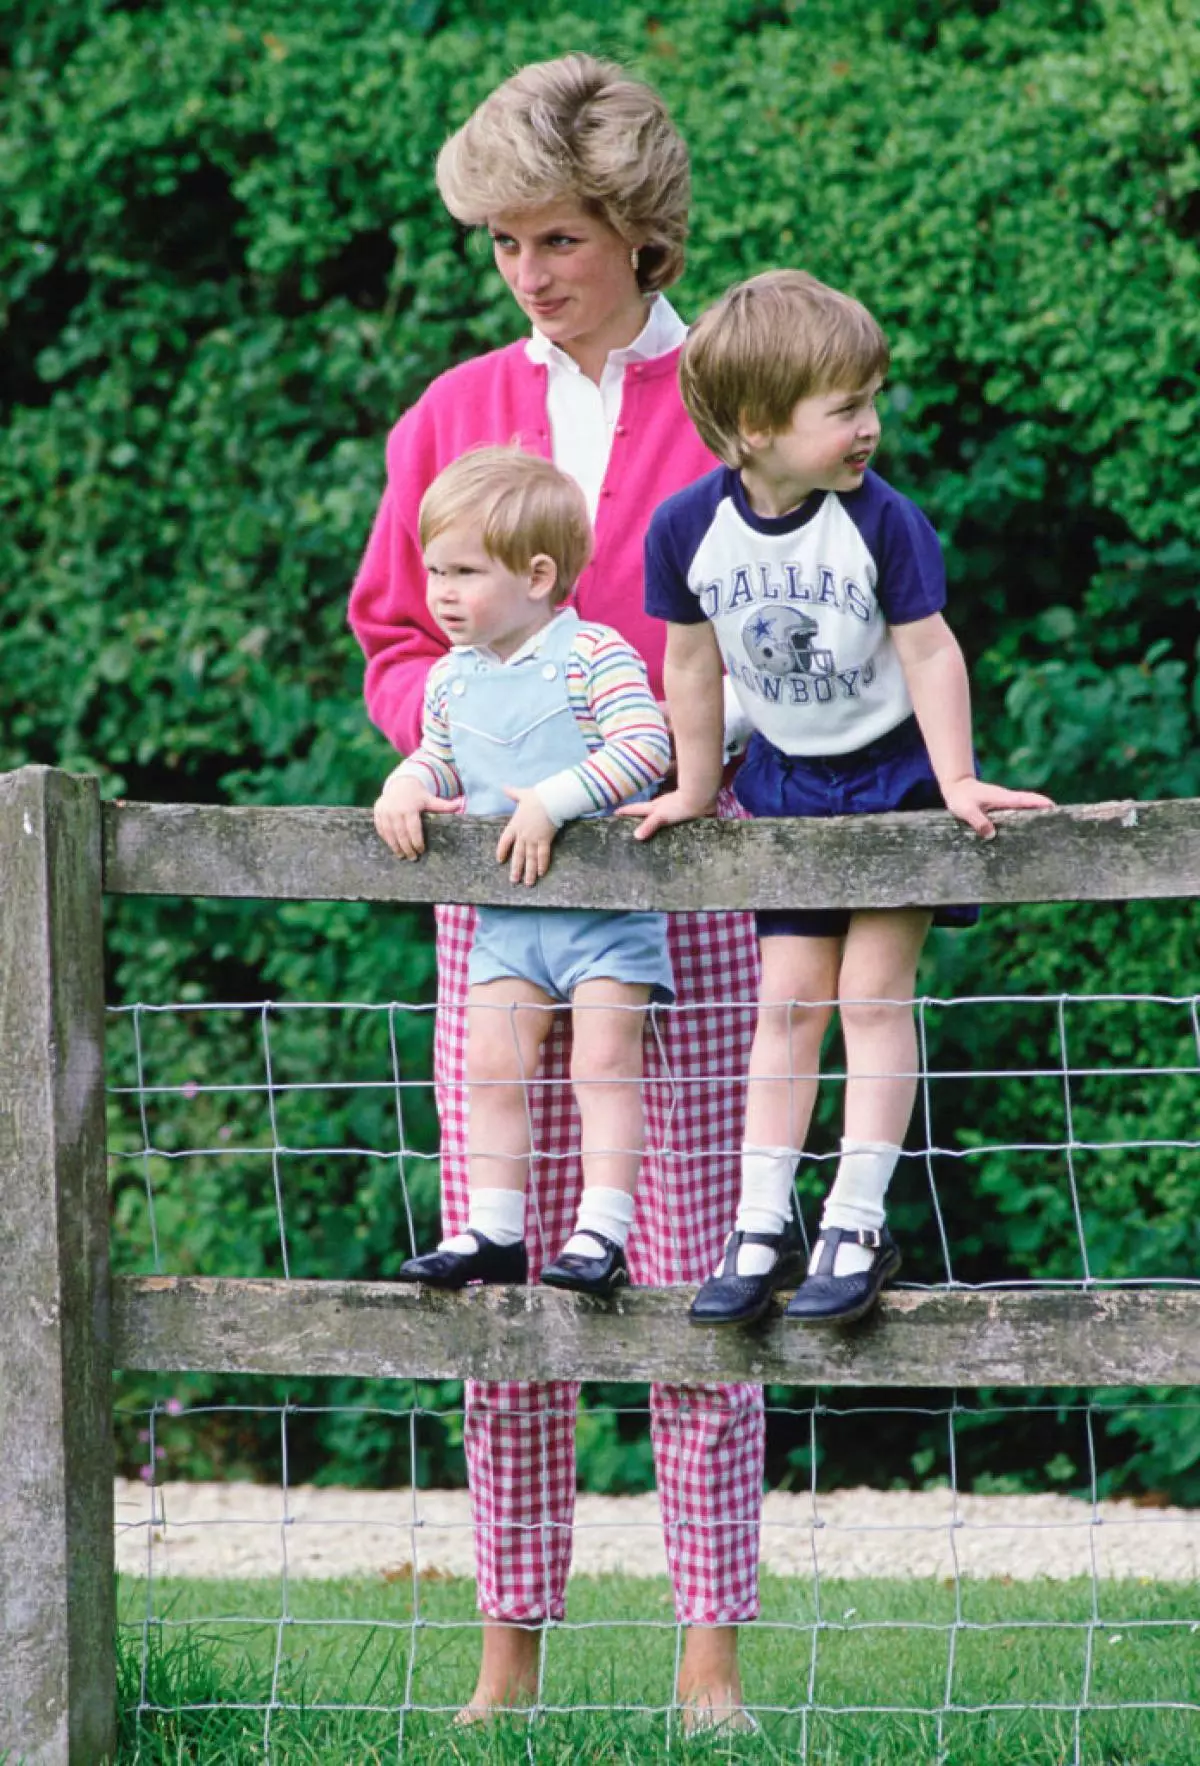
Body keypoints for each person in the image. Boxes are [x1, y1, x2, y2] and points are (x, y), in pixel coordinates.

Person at [349, 55, 762, 1730]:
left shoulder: (739, 392)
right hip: (504, 906)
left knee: (690, 1274)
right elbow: (393, 635)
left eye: (557, 235)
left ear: (640, 232)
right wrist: (447, 753)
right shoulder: (453, 414)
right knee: (507, 1268)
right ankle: (507, 1655)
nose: (526, 268)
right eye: (505, 239)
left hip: (703, 891)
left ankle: (710, 1664)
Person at [629, 268, 1054, 1327]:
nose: (870, 426)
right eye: (845, 408)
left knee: (870, 996)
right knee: (785, 1007)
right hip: (783, 783)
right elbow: (690, 668)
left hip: (892, 774)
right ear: (755, 427)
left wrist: (954, 777)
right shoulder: (687, 531)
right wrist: (692, 784)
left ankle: (857, 1217)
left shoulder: (884, 521)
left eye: (871, 399)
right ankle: (761, 1218)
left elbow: (930, 650)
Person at [376, 448, 674, 1297]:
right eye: (433, 570)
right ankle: (494, 1231)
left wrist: (555, 798)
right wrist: (405, 784)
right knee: (491, 1069)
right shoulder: (449, 681)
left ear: (540, 575)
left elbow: (647, 747)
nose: (439, 592)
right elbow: (441, 761)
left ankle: (600, 1232)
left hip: (603, 918)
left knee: (602, 1067)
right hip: (506, 924)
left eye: (464, 572)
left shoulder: (595, 655)